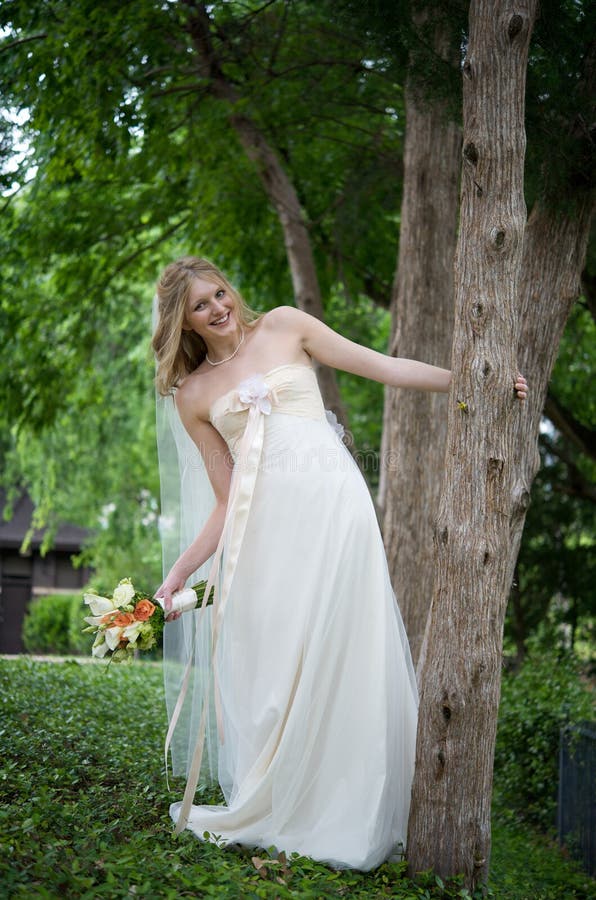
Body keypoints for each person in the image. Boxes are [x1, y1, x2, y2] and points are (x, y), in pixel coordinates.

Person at [152, 256, 528, 871]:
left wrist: (472, 379)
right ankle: (288, 795)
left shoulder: (285, 325)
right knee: (281, 659)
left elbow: (382, 366)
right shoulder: (193, 395)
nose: (218, 308)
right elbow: (225, 501)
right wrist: (176, 577)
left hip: (333, 508)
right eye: (200, 305)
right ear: (184, 322)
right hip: (264, 534)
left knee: (343, 643)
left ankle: (350, 801)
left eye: (219, 292)